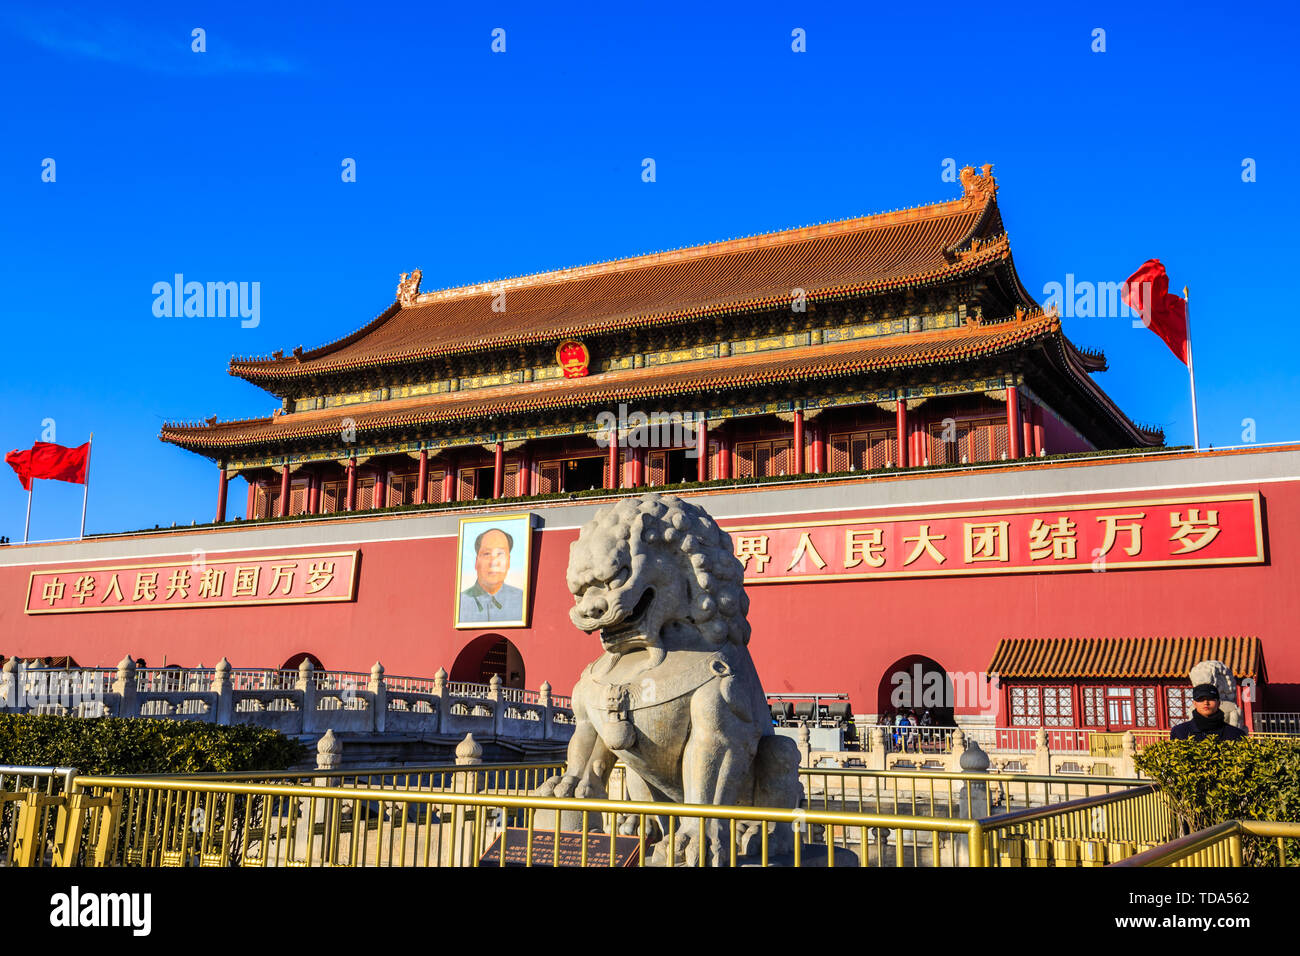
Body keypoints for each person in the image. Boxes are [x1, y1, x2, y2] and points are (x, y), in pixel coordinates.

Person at [458, 528, 524, 623]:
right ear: (476, 562)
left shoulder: (522, 600)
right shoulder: (461, 602)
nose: (494, 562)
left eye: (500, 554)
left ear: (508, 561)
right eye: (487, 554)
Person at [1170, 684, 1248, 742]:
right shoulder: (1180, 732)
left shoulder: (1236, 734)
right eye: (1201, 699)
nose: (1206, 703)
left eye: (1210, 699)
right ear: (1194, 703)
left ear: (1219, 703)